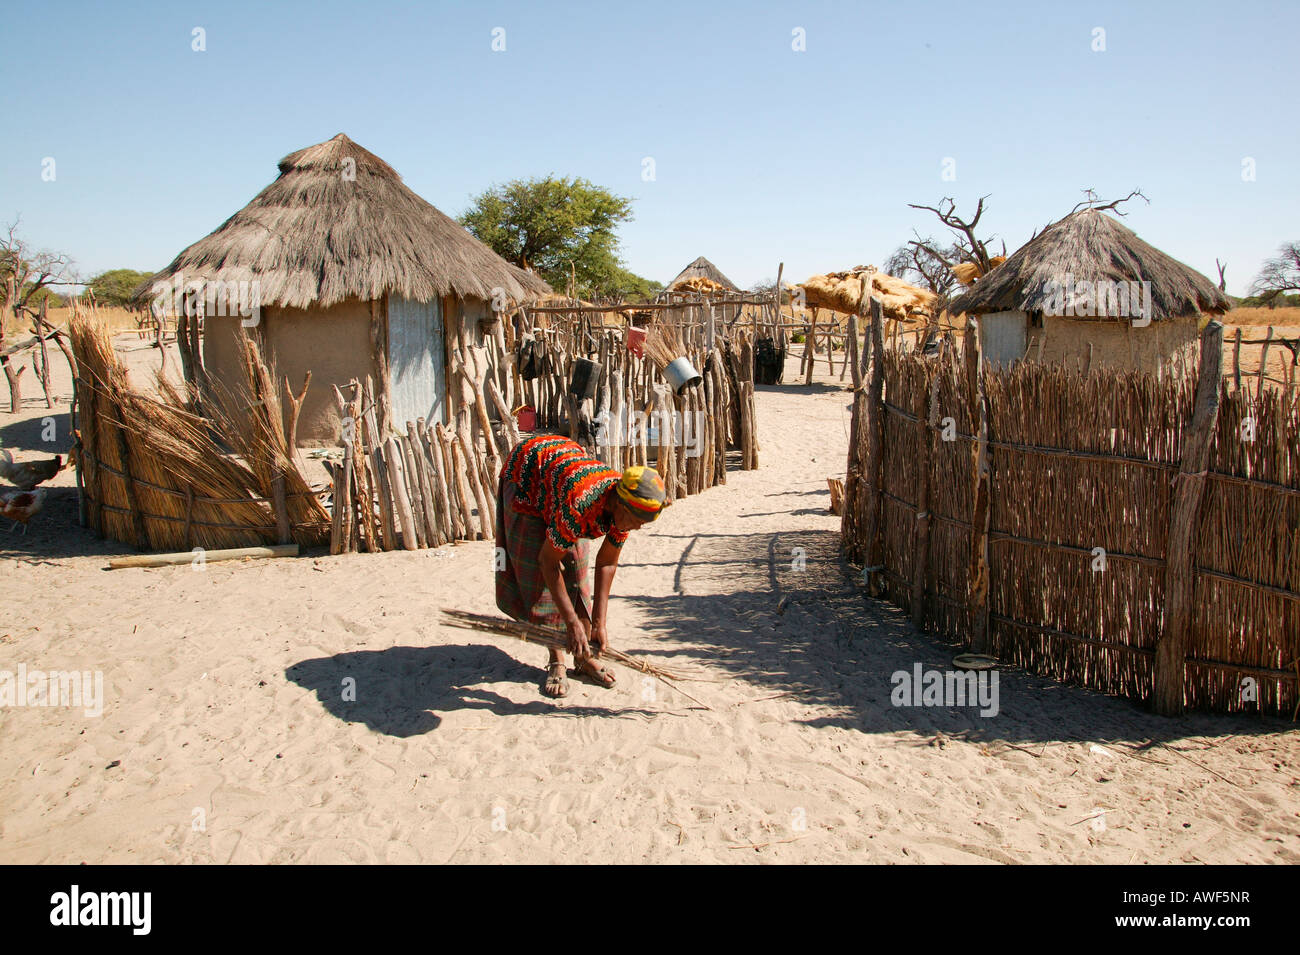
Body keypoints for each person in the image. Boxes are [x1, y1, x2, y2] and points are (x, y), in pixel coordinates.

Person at [496, 434, 666, 697]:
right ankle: (556, 660)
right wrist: (571, 622)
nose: (637, 527)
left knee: (577, 573)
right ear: (619, 504)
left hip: (560, 479)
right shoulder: (580, 504)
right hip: (528, 475)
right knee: (540, 577)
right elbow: (548, 563)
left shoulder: (625, 509)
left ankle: (583, 658)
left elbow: (607, 561)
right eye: (636, 520)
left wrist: (599, 623)